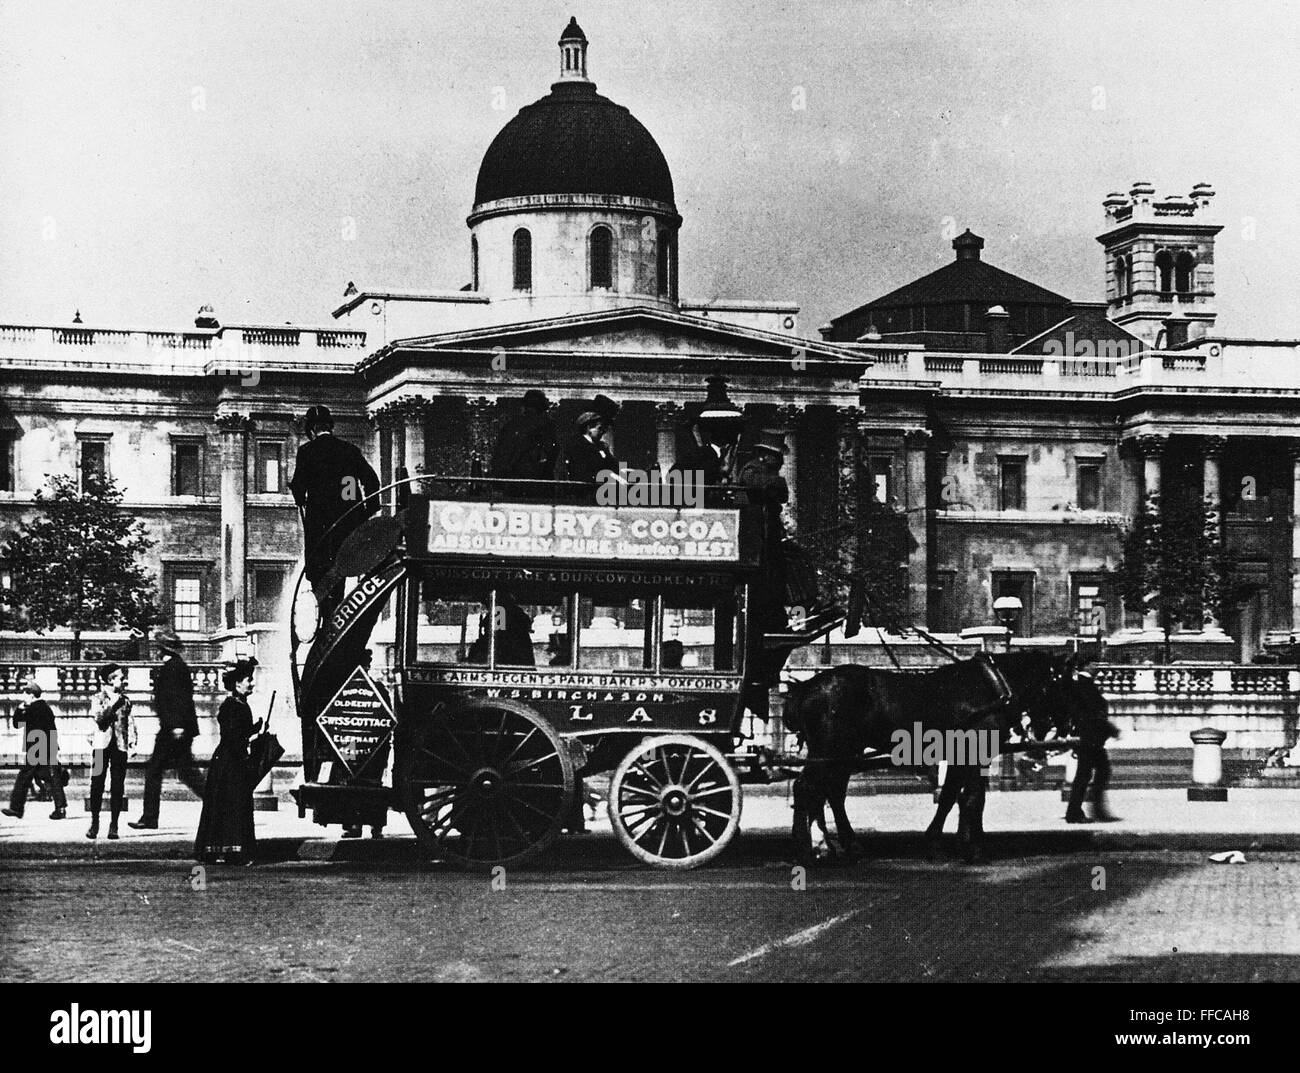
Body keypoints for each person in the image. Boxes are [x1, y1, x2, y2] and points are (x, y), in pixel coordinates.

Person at [289, 404, 381, 620]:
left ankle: (324, 621)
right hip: (348, 525)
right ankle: (337, 615)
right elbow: (372, 481)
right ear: (330, 427)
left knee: (320, 576)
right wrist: (367, 511)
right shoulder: (350, 450)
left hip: (320, 529)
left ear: (311, 430)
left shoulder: (307, 452)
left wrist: (297, 491)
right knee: (342, 574)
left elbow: (300, 488)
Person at [129, 627, 204, 830]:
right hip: (174, 727)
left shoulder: (174, 667)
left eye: (158, 647)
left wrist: (177, 725)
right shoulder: (174, 666)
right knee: (186, 772)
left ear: (163, 650)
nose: (156, 651)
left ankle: (150, 818)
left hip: (174, 729)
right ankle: (220, 804)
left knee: (157, 771)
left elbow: (179, 698)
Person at [195, 658, 261, 865]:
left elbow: (237, 732)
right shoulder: (233, 706)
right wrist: (249, 741)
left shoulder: (238, 704)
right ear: (237, 683)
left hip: (229, 760)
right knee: (234, 805)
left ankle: (223, 850)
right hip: (231, 763)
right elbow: (233, 736)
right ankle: (236, 852)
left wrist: (255, 729)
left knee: (228, 805)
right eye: (248, 679)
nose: (251, 683)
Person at [342, 649, 392, 841]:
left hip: (356, 744)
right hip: (370, 745)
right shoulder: (379, 689)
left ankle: (358, 825)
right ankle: (373, 825)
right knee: (368, 782)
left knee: (355, 780)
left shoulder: (347, 690)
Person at [2, 676, 68, 821]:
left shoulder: (34, 708)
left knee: (25, 777)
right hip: (46, 747)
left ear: (31, 695)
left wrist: (20, 709)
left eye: (25, 695)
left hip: (37, 748)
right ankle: (60, 808)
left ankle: (17, 808)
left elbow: (17, 724)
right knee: (51, 778)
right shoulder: (44, 708)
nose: (23, 698)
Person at [87, 663, 133, 840]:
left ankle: (114, 824)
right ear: (110, 680)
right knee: (96, 783)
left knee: (117, 785)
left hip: (120, 746)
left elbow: (129, 722)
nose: (123, 681)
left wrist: (132, 742)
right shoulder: (98, 698)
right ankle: (94, 822)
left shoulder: (126, 700)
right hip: (100, 746)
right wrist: (113, 704)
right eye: (120, 678)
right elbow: (99, 719)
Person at [490, 390, 560, 495]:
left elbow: (500, 456)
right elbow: (552, 455)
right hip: (539, 484)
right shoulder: (548, 427)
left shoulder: (512, 425)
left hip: (514, 482)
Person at [1065, 713, 1120, 824]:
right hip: (1090, 743)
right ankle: (1079, 812)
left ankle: (1081, 811)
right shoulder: (1093, 700)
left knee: (1089, 775)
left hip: (1090, 742)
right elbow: (1095, 719)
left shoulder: (1092, 699)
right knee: (1087, 775)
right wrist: (1112, 730)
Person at [561, 396, 620, 488]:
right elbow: (582, 472)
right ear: (589, 427)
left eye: (605, 428)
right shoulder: (576, 444)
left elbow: (614, 466)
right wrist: (610, 475)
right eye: (600, 428)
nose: (604, 431)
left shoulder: (602, 446)